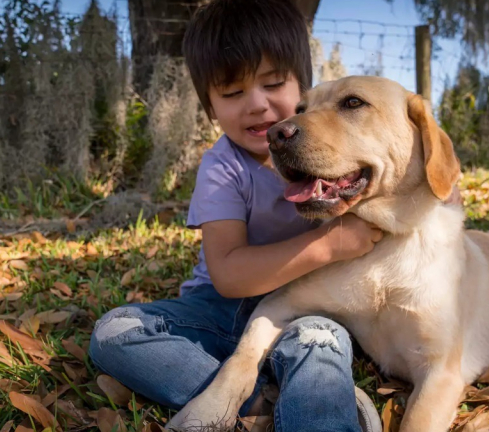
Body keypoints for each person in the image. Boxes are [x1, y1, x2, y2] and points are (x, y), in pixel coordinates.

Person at [90, 1, 392, 430]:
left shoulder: (335, 155)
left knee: (319, 341)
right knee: (114, 332)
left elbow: (394, 175)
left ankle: (318, 405)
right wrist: (328, 246)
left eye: (273, 83)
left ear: (303, 87)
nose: (256, 105)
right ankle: (262, 400)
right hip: (219, 312)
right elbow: (228, 274)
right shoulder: (222, 167)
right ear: (210, 107)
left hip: (305, 310)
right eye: (232, 93)